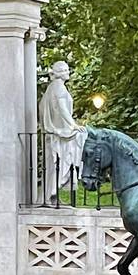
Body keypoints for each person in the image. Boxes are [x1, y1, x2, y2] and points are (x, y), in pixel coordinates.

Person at [39, 60, 86, 201]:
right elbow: (63, 109)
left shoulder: (53, 87)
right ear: (58, 73)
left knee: (56, 164)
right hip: (60, 133)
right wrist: (73, 125)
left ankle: (51, 196)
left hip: (56, 132)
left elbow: (42, 107)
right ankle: (51, 193)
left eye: (67, 70)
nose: (67, 73)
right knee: (60, 161)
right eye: (64, 70)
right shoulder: (58, 87)